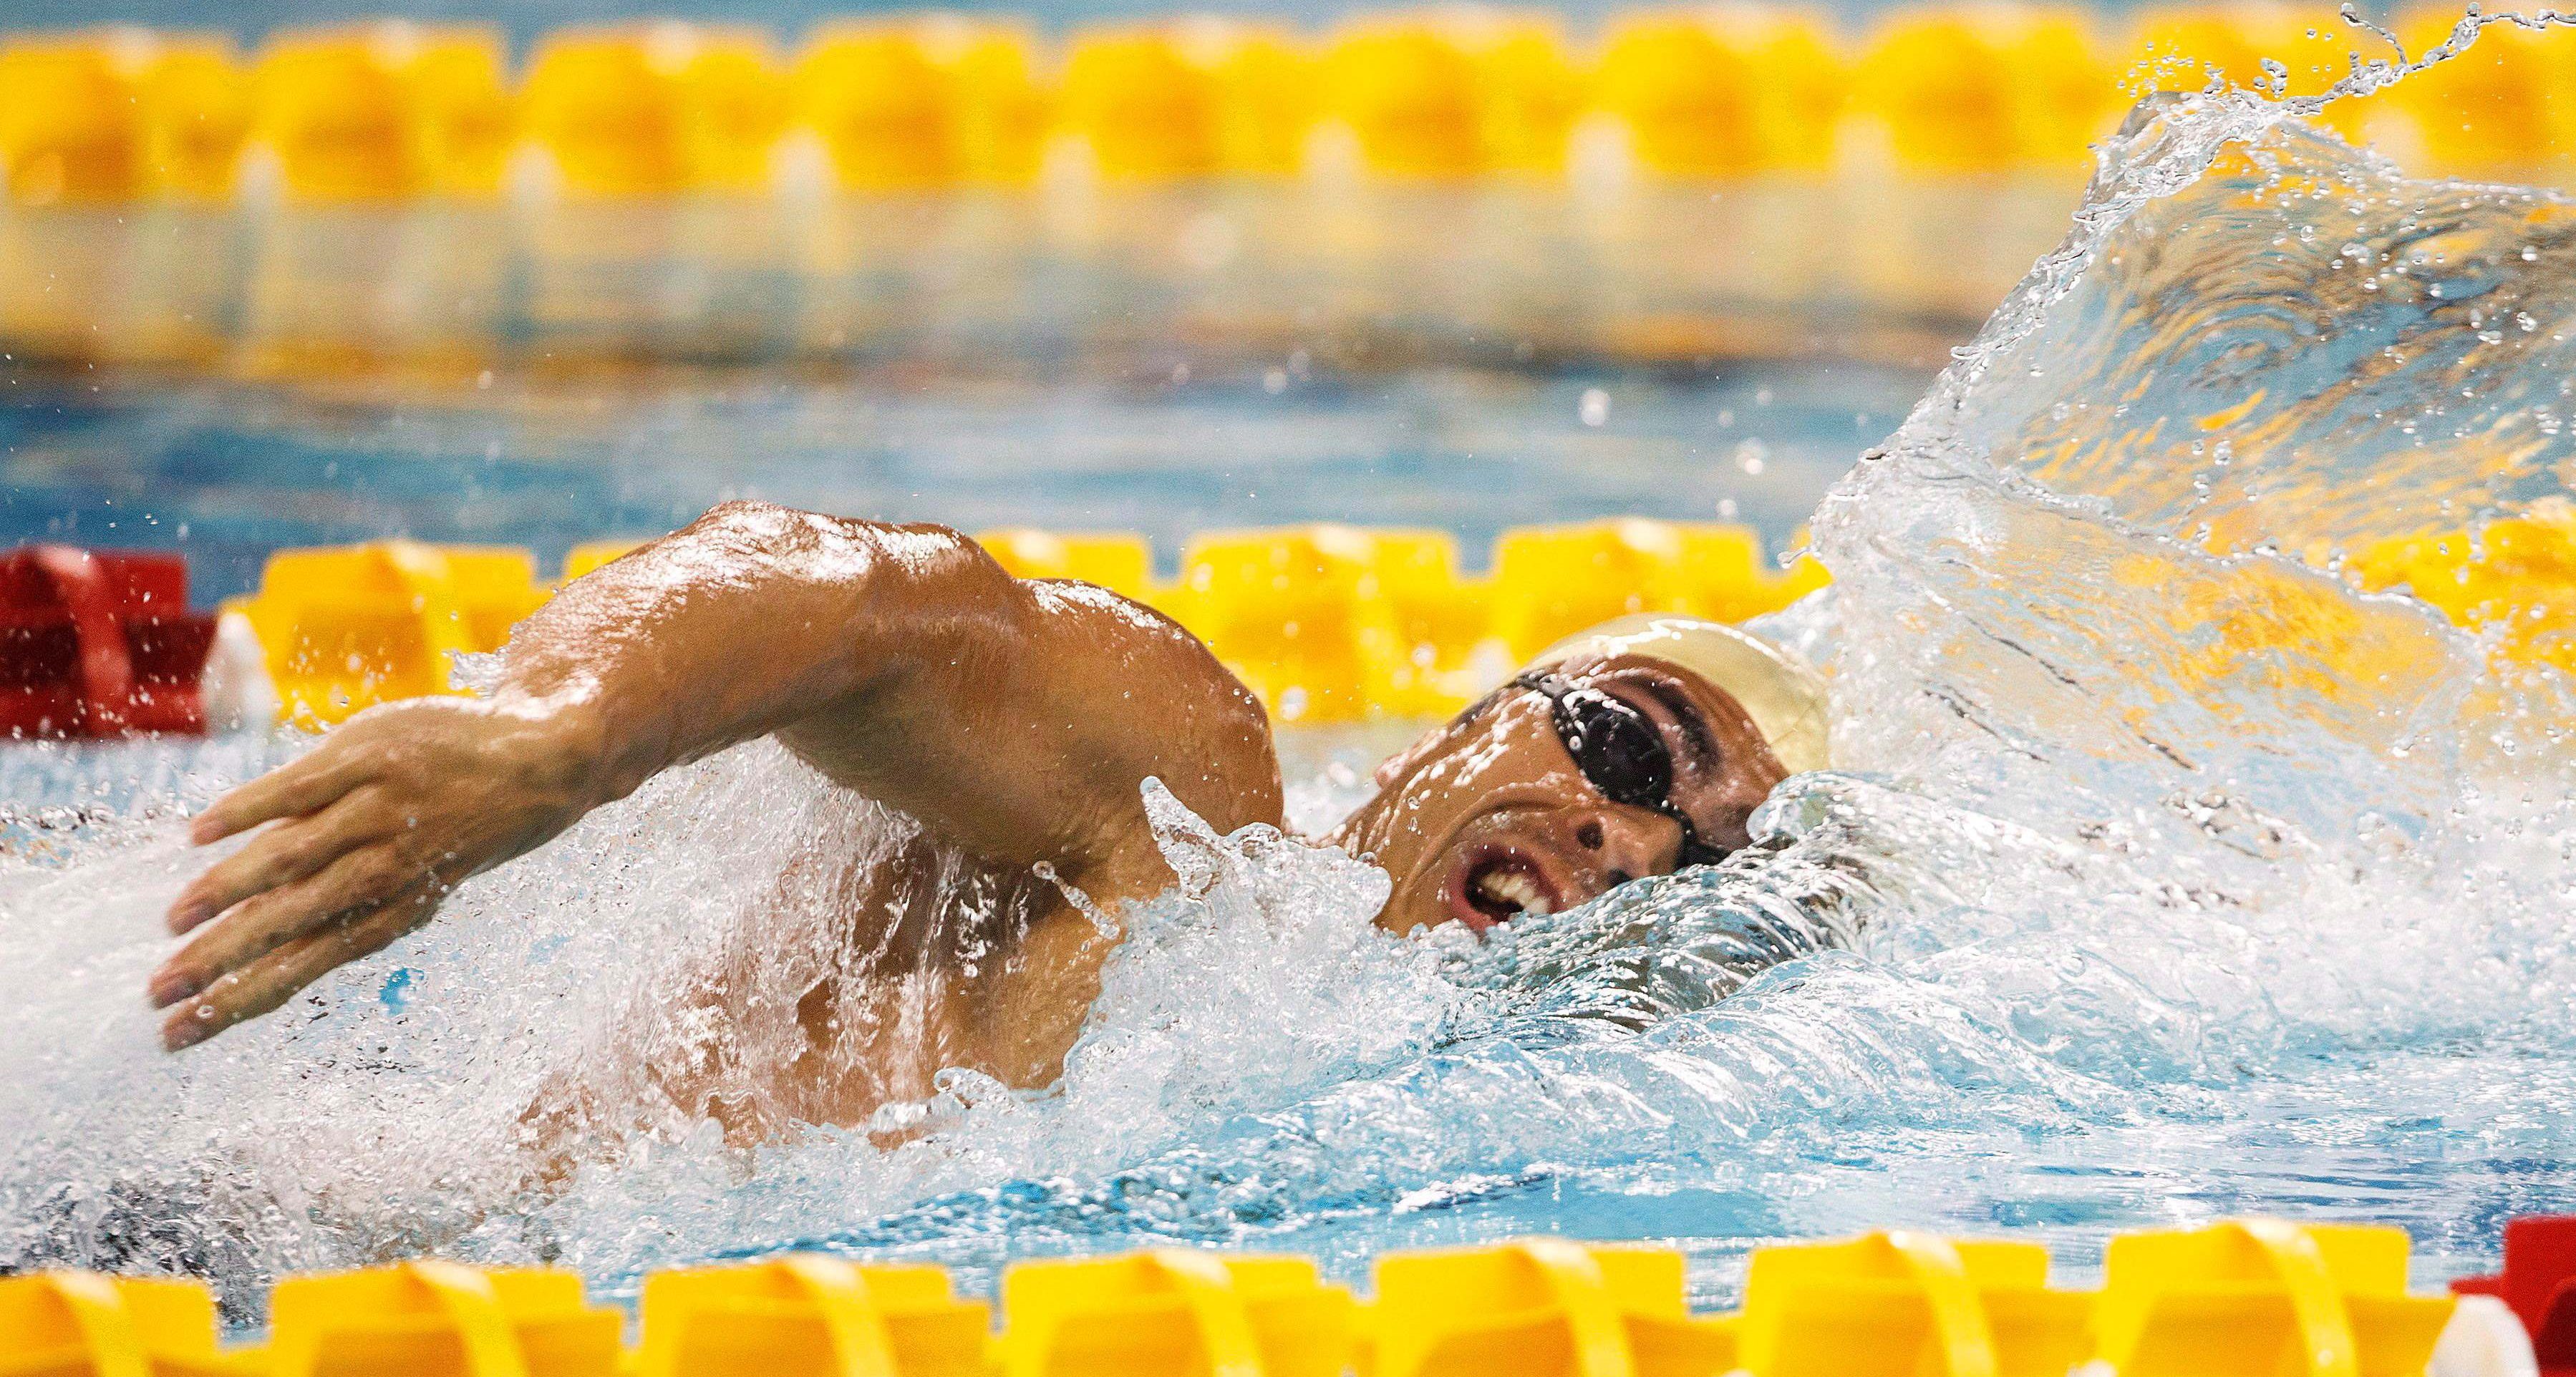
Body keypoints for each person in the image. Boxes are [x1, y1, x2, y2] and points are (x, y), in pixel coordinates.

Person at [147, 502, 1829, 1134]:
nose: (1637, 836)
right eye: (1626, 742)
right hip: (296, 1226)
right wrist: (556, 739)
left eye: (1707, 853)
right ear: (1476, 721)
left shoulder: (1423, 1123)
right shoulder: (1187, 819)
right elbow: (886, 600)